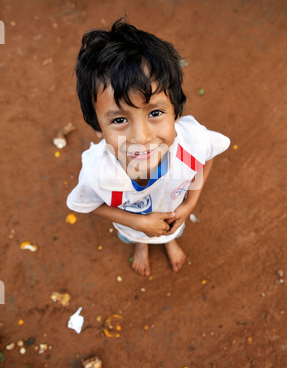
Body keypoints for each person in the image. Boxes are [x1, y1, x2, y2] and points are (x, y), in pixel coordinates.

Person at [67, 18, 230, 276]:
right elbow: (87, 203)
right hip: (134, 226)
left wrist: (189, 205)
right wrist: (140, 223)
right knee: (141, 234)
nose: (141, 137)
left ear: (176, 111)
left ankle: (168, 240)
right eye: (119, 119)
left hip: (173, 214)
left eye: (155, 112)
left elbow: (207, 157)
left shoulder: (194, 142)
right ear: (97, 126)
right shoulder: (96, 172)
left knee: (169, 228)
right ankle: (141, 244)